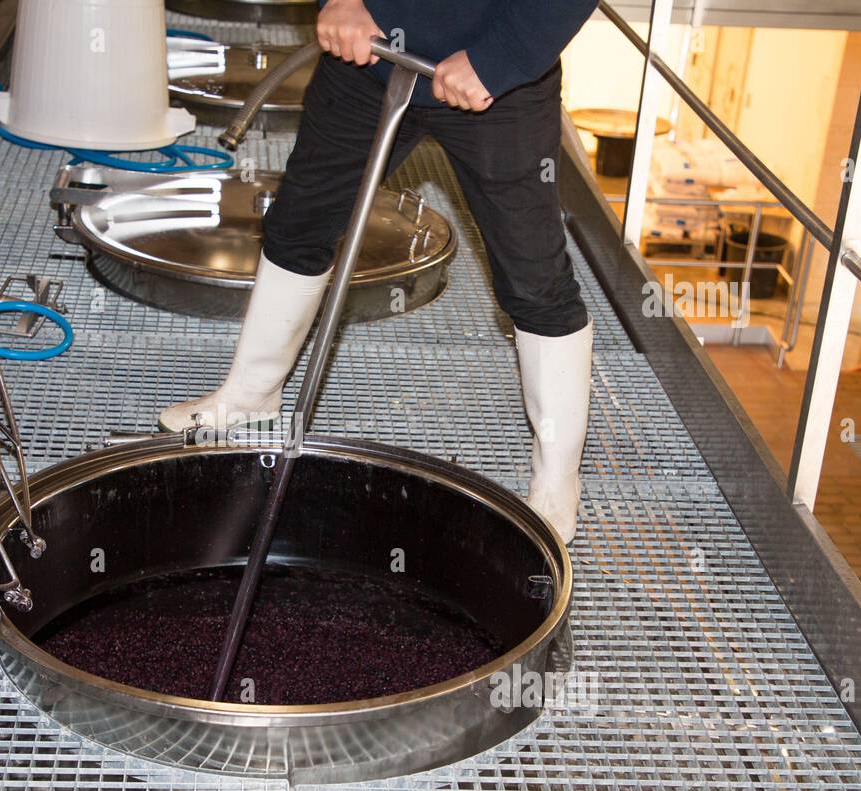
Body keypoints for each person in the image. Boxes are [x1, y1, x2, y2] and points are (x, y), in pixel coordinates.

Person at [158, 0, 599, 543]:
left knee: (536, 282)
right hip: (370, 53)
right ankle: (251, 394)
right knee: (299, 225)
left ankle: (557, 484)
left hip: (497, 81)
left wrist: (501, 57)